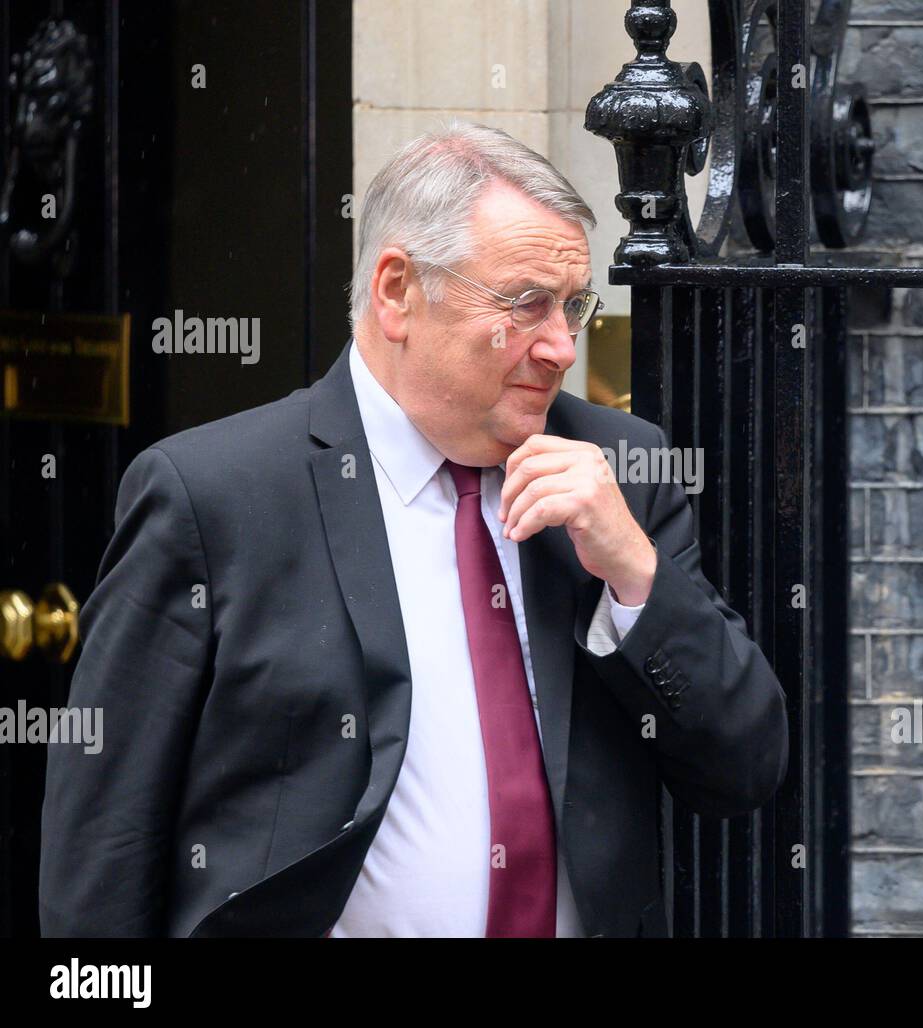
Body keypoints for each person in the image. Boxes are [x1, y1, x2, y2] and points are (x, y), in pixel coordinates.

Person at [38, 122, 788, 938]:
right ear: (398, 291)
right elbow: (105, 841)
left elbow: (745, 766)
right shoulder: (213, 495)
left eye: (573, 307)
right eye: (525, 304)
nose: (562, 346)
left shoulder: (618, 468)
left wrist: (635, 577)